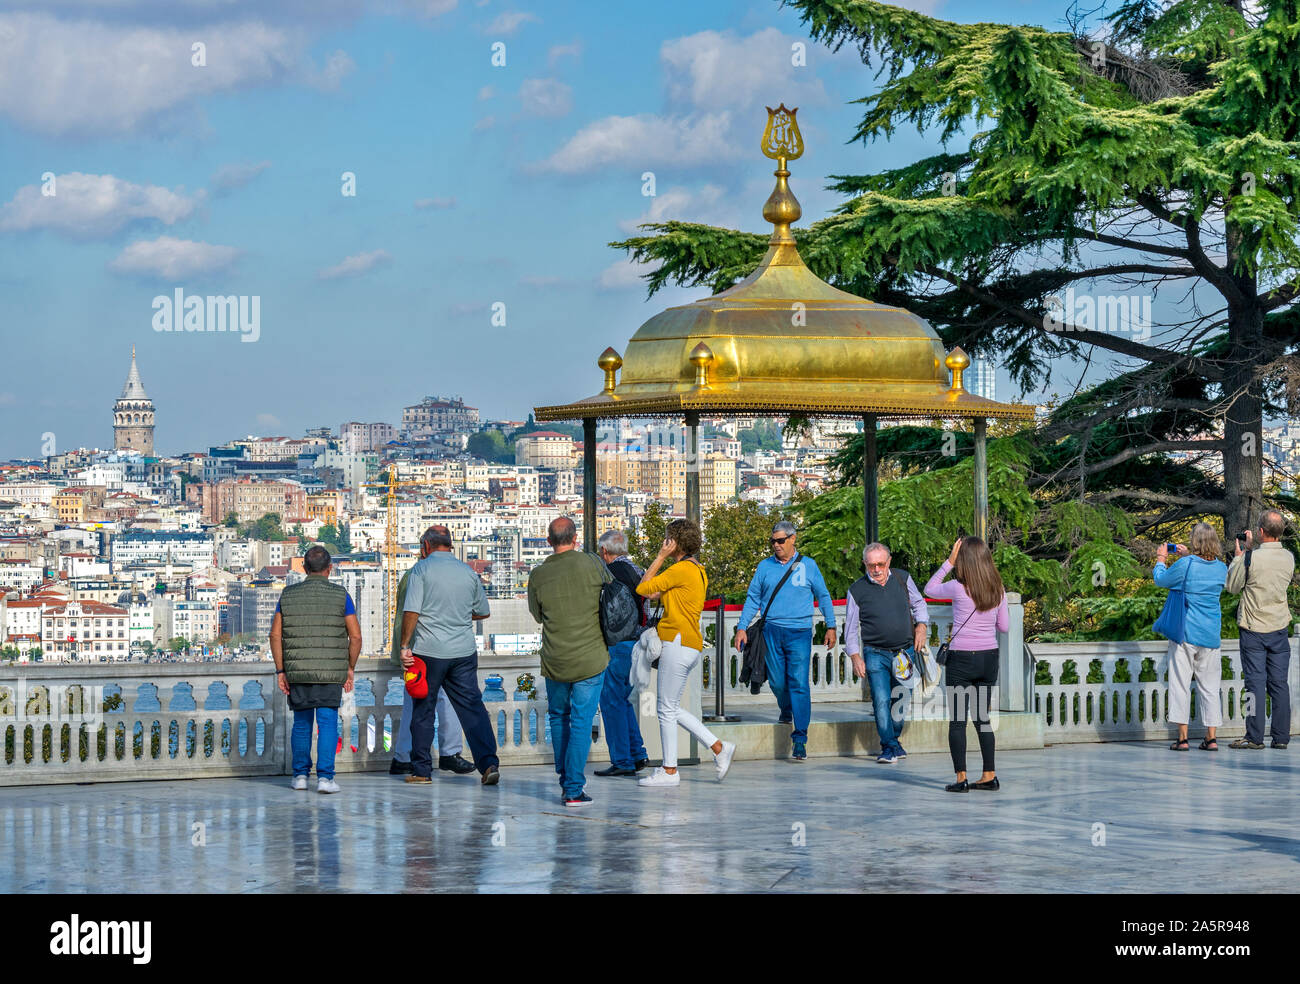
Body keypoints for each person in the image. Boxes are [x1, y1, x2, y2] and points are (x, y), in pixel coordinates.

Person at [636, 519, 736, 787]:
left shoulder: (680, 569)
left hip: (677, 642)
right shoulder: (696, 570)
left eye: (667, 539)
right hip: (688, 644)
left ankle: (670, 771)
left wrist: (659, 557)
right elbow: (657, 593)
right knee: (671, 708)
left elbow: (643, 588)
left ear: (675, 542)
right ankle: (718, 748)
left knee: (666, 709)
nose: (664, 543)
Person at [398, 525, 500, 785]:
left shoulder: (421, 570)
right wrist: (459, 615)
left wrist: (405, 645)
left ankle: (421, 771)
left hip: (428, 651)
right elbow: (483, 611)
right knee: (473, 708)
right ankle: (488, 764)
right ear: (450, 546)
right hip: (463, 651)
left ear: (425, 546)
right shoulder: (468, 573)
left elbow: (412, 611)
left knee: (423, 710)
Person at [734, 521, 837, 760]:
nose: (776, 545)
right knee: (778, 682)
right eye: (773, 541)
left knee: (799, 682)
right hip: (771, 631)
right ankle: (786, 708)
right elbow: (753, 598)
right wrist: (741, 628)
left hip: (800, 632)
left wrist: (831, 626)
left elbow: (823, 595)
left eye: (780, 540)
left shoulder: (808, 565)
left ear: (793, 539)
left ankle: (800, 737)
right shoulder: (764, 566)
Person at [527, 516, 609, 807]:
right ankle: (573, 788)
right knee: (581, 721)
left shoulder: (537, 575)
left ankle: (566, 779)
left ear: (548, 541)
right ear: (576, 539)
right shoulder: (593, 564)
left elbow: (537, 615)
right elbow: (611, 596)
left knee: (558, 717)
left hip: (555, 658)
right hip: (591, 656)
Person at [270, 545, 362, 794]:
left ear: (304, 568)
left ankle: (300, 776)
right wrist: (350, 668)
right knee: (327, 722)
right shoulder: (341, 595)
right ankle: (325, 778)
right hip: (331, 672)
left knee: (301, 723)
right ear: (330, 568)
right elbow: (355, 637)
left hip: (297, 670)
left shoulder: (287, 595)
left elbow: (275, 635)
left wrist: (281, 671)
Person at [925, 537, 1009, 792]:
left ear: (963, 560)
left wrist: (949, 562)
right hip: (988, 659)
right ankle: (989, 775)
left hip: (962, 659)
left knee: (958, 721)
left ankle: (961, 778)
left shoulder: (956, 587)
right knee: (983, 718)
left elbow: (929, 589)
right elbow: (1004, 627)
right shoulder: (999, 590)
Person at [389, 529, 475, 777]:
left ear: (424, 546)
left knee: (416, 706)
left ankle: (405, 757)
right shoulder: (422, 575)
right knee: (440, 704)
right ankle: (446, 754)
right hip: (428, 651)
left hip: (422, 651)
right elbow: (411, 616)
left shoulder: (415, 574)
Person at [843, 542, 930, 765]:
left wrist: (921, 626)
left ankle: (894, 740)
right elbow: (851, 628)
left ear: (889, 562)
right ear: (864, 564)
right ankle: (888, 746)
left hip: (904, 652)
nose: (877, 569)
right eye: (871, 565)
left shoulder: (902, 578)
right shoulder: (856, 590)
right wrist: (855, 656)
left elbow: (919, 604)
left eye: (881, 564)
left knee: (902, 698)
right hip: (875, 654)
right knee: (881, 700)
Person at [1154, 523, 1228, 751]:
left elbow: (1162, 580)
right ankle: (1211, 738)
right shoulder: (1222, 568)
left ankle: (1183, 739)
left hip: (1185, 633)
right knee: (1210, 687)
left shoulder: (1185, 564)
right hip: (1211, 634)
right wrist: (1188, 556)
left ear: (1194, 540)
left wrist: (1160, 559)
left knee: (1180, 685)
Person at [1225, 510, 1294, 750]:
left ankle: (1254, 737)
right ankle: (1281, 737)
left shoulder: (1250, 558)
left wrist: (1240, 556)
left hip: (1253, 628)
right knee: (1279, 684)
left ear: (1261, 532)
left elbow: (1233, 587)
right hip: (1279, 628)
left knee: (1254, 685)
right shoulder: (1289, 557)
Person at [593, 529, 651, 777]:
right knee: (623, 699)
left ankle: (623, 760)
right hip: (639, 641)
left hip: (618, 644)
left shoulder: (610, 574)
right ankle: (637, 754)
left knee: (610, 700)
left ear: (604, 551)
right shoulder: (637, 570)